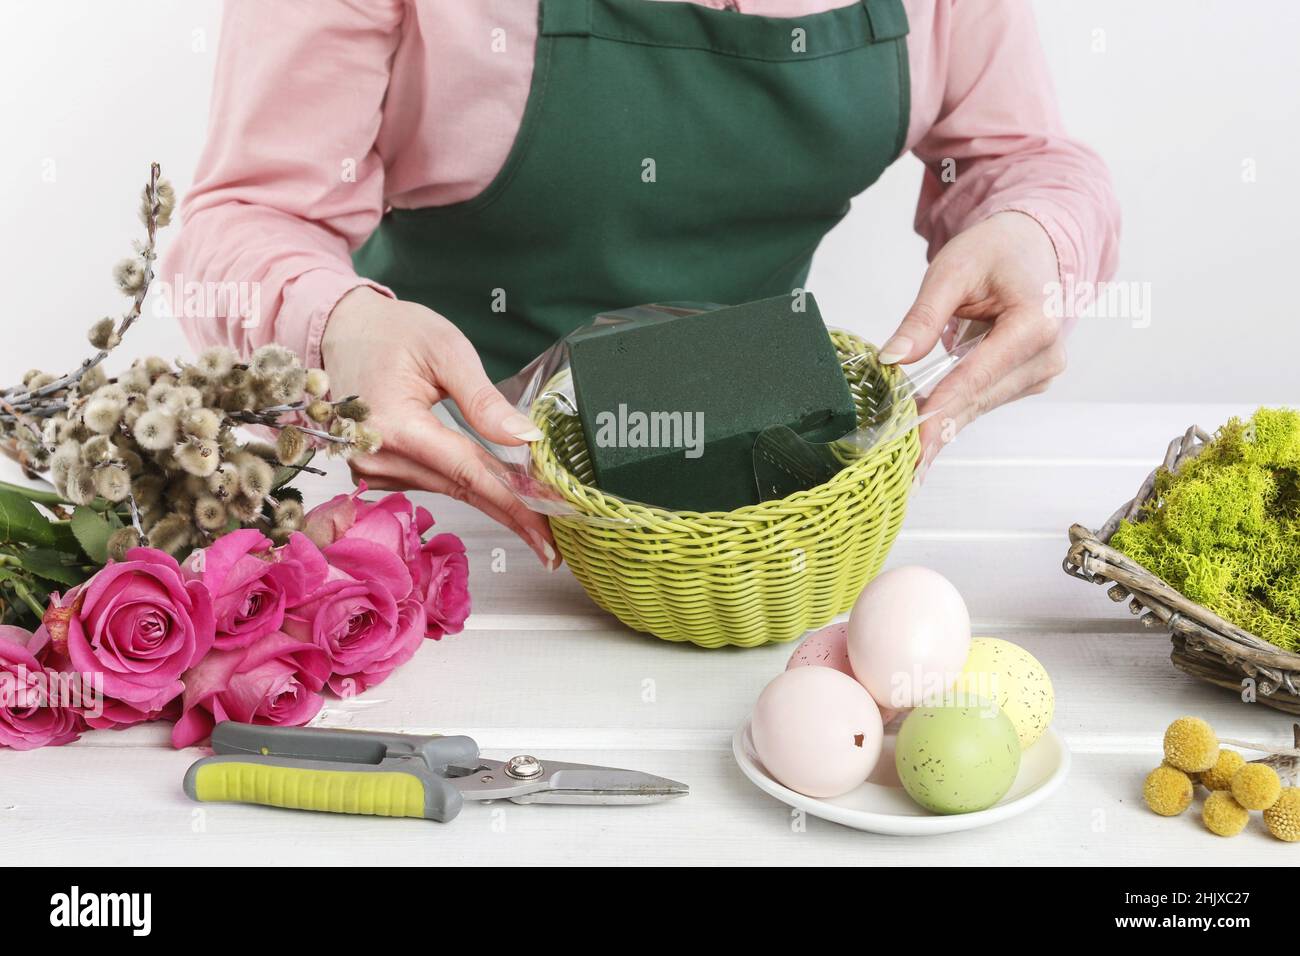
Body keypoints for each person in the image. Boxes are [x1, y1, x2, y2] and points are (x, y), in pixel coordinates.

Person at [165, 0, 1120, 566]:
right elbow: (245, 217)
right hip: (442, 502)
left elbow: (1020, 157)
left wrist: (1039, 234)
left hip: (761, 502)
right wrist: (333, 330)